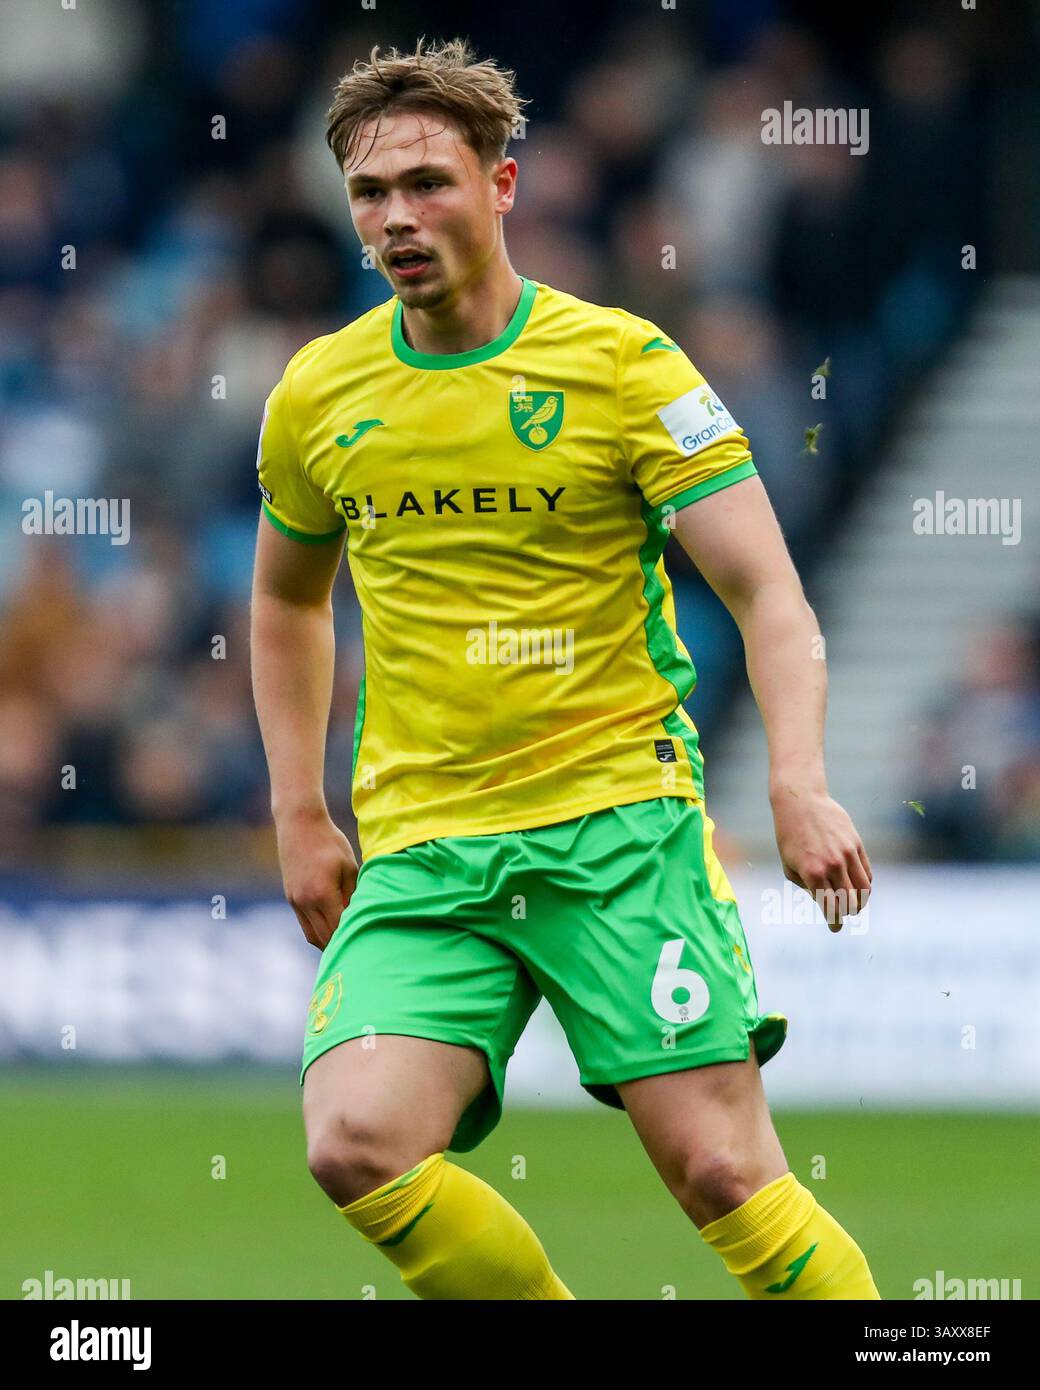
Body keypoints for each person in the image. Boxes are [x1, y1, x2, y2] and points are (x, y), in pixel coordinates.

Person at [249, 37, 878, 1301]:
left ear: (501, 184)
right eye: (369, 194)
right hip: (427, 847)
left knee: (718, 1171)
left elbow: (766, 591)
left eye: (426, 181)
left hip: (616, 830)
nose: (394, 217)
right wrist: (299, 810)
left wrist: (798, 779)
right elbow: (281, 598)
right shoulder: (320, 393)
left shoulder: (623, 368)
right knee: (354, 1141)